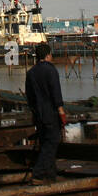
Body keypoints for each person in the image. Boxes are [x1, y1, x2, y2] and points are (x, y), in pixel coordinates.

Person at [24, 42, 66, 184]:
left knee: (44, 142)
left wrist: (34, 112)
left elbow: (29, 96)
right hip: (51, 113)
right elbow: (56, 93)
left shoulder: (31, 72)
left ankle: (50, 175)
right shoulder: (51, 70)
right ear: (48, 55)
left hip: (38, 114)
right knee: (52, 142)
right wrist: (61, 112)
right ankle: (38, 174)